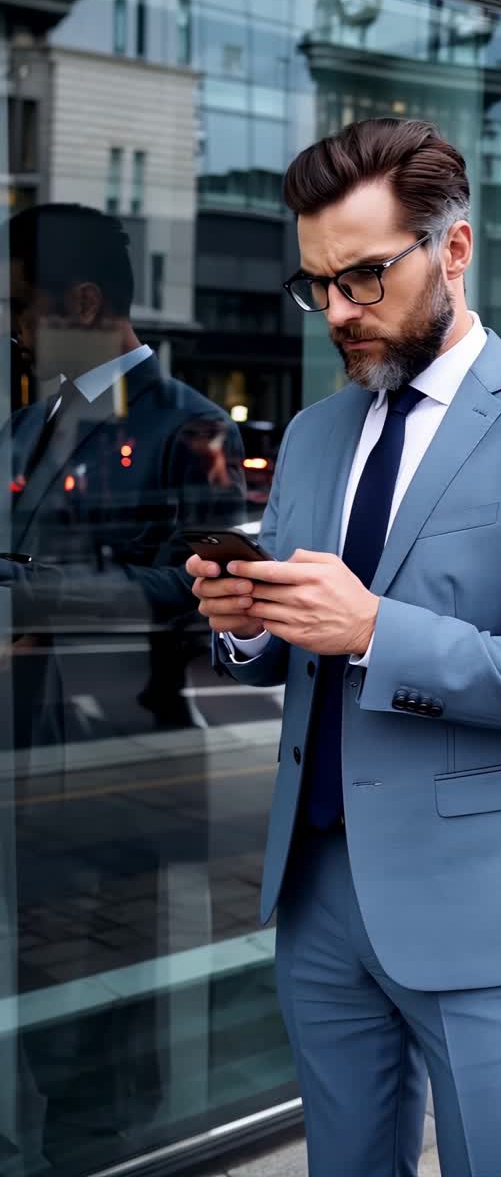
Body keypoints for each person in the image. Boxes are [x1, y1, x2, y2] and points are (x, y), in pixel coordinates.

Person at [188, 118, 501, 1177]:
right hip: (318, 895)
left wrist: (378, 630)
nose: (339, 311)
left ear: (455, 248)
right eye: (318, 286)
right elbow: (296, 644)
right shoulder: (309, 434)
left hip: (483, 911)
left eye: (364, 277)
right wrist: (245, 625)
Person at [1, 203, 245, 1157]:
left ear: (85, 301)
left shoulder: (191, 426)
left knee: (107, 993)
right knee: (36, 968)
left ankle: (96, 1145)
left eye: (21, 307)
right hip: (26, 743)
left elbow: (192, 590)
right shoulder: (29, 419)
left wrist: (28, 592)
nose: (13, 327)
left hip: (121, 752)